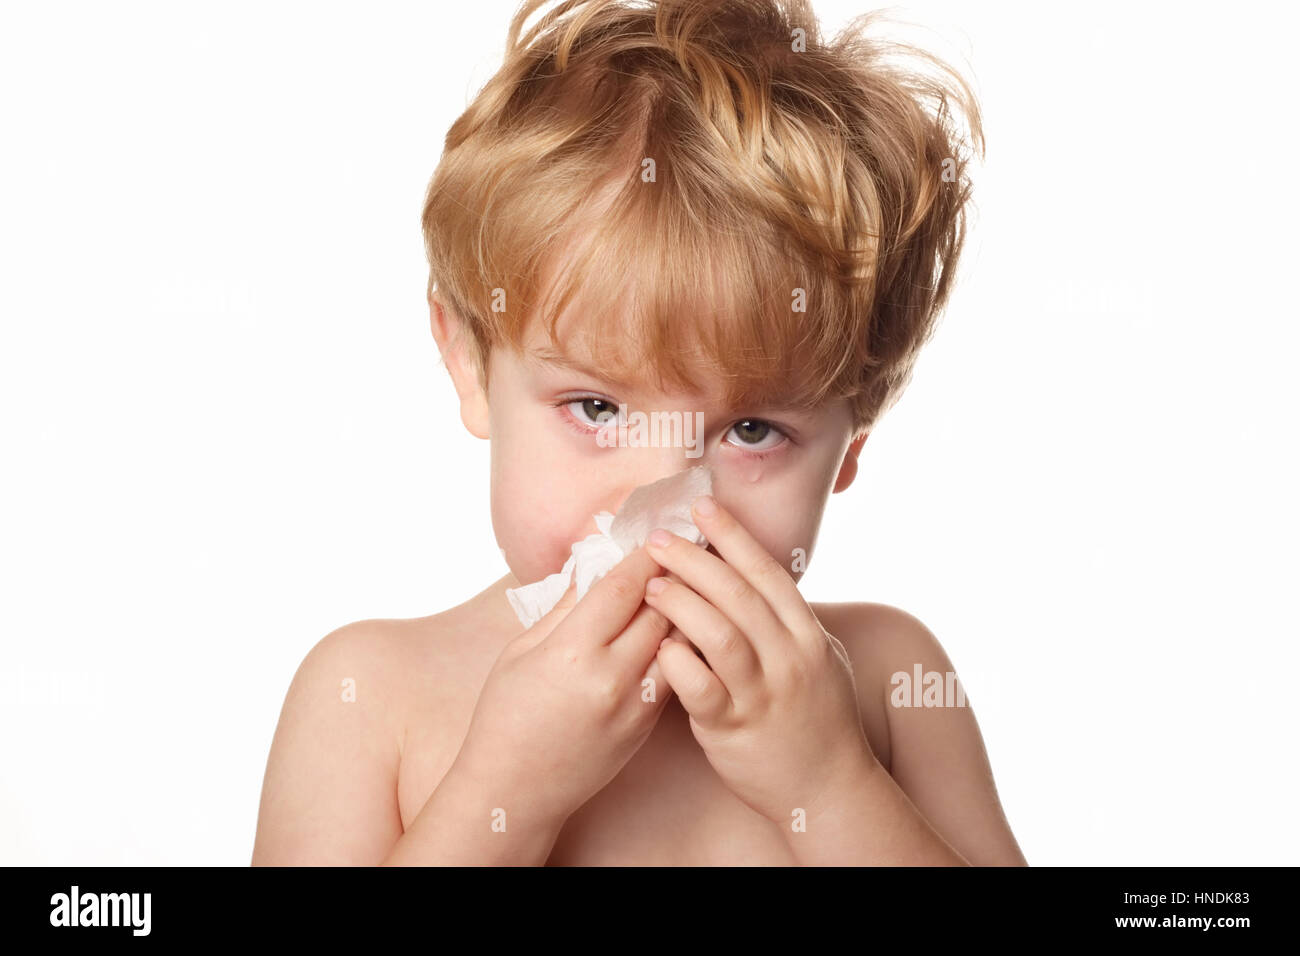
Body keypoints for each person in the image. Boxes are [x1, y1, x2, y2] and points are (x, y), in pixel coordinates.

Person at [252, 0, 1026, 866]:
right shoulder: (369, 698)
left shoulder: (886, 682)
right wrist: (502, 791)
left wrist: (829, 785)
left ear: (853, 437)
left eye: (751, 429)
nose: (665, 501)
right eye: (597, 409)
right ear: (471, 363)